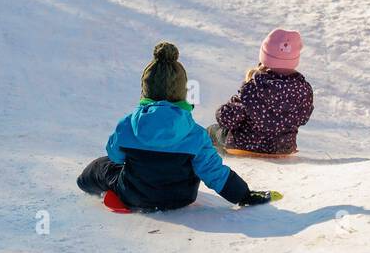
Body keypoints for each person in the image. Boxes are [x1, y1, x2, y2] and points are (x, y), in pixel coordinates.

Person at [76, 42, 274, 211]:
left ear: (146, 90)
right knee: (198, 162)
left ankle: (83, 183)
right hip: (182, 197)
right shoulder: (195, 133)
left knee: (102, 166)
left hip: (134, 195)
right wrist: (244, 195)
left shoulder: (127, 125)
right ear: (181, 93)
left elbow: (115, 156)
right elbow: (213, 171)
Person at [209, 29, 313, 155]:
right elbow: (303, 118)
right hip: (283, 148)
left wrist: (223, 111)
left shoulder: (255, 87)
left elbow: (228, 118)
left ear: (265, 57)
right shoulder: (304, 90)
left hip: (244, 145)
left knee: (212, 131)